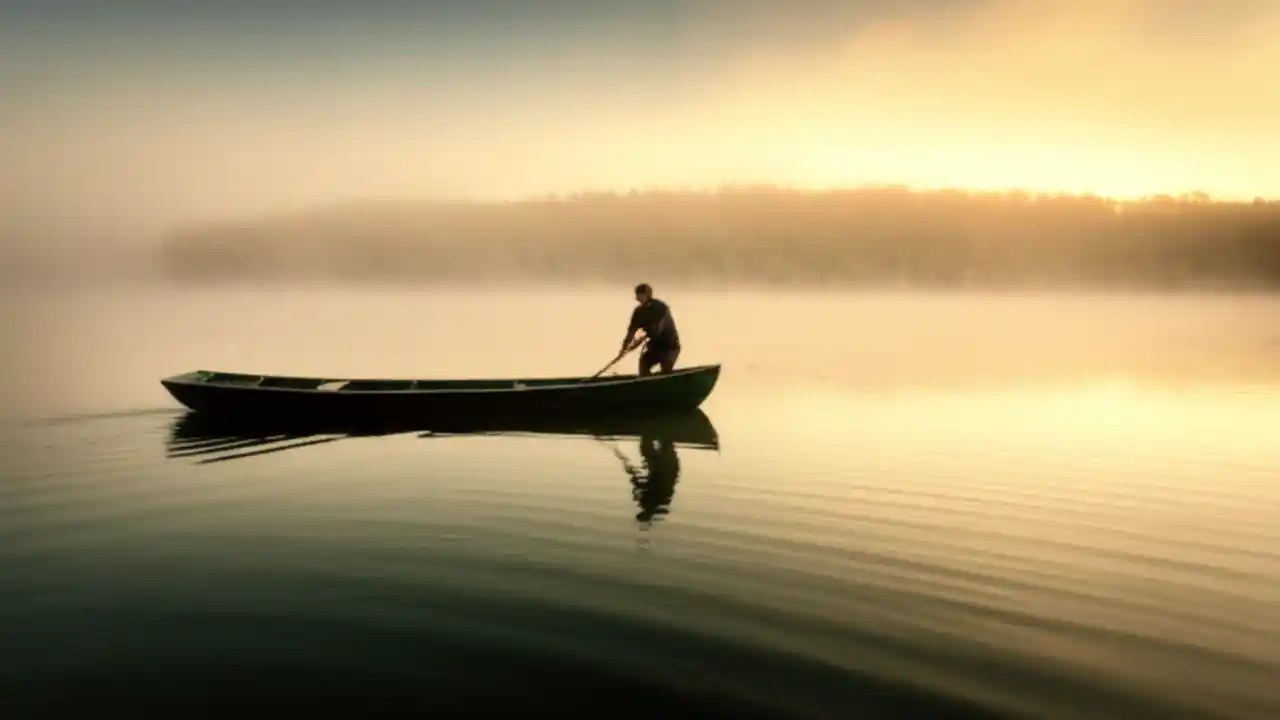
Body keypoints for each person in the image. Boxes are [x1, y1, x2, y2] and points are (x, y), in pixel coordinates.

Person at [621, 283, 680, 375]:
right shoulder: (638, 312)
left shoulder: (660, 308)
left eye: (640, 294)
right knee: (644, 363)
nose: (638, 297)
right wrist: (625, 347)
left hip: (670, 347)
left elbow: (657, 330)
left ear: (647, 295)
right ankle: (646, 384)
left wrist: (638, 342)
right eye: (637, 294)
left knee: (666, 370)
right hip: (655, 347)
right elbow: (631, 330)